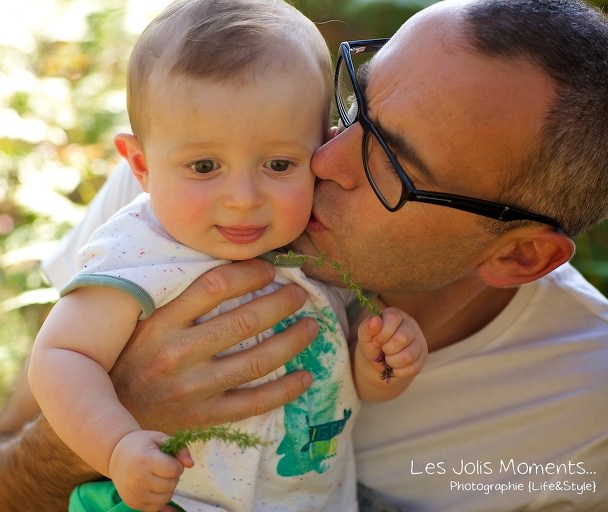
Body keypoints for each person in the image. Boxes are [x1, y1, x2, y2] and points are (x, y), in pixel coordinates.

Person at [0, 0, 608, 511]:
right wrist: (114, 423)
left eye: (395, 165)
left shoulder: (586, 409)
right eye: (356, 104)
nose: (323, 157)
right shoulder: (181, 198)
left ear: (521, 256)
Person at [27, 1, 427, 511]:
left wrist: (380, 364)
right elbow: (61, 357)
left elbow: (346, 382)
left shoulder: (318, 247)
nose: (243, 197)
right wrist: (116, 445)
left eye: (279, 163)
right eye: (204, 165)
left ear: (322, 151)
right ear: (141, 166)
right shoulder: (140, 252)